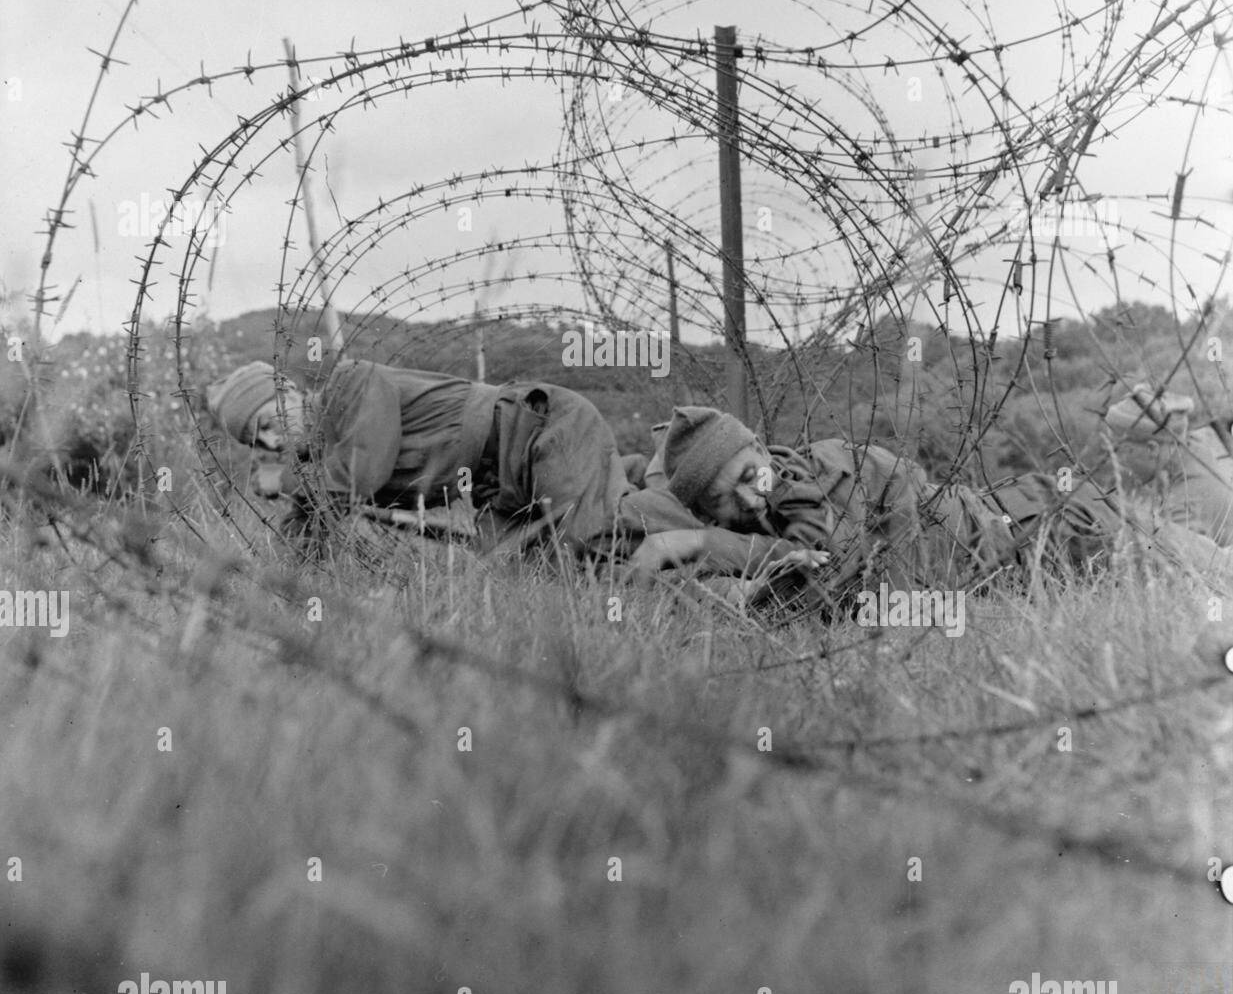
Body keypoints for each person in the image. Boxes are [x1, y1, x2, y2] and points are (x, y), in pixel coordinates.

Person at [618, 404, 1231, 609]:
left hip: (1058, 529)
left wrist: (702, 545)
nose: (756, 493)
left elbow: (835, 570)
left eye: (753, 473)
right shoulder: (770, 519)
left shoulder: (827, 467)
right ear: (712, 507)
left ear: (760, 448)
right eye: (731, 496)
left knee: (1216, 578)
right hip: (1032, 545)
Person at [205, 359, 629, 558]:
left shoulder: (350, 384)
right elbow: (305, 534)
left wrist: (285, 482)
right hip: (498, 488)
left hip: (542, 430)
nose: (271, 440)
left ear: (289, 393)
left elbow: (361, 475)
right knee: (524, 576)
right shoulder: (325, 465)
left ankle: (686, 517)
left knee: (593, 545)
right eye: (258, 440)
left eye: (267, 421)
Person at [1102, 382, 1233, 546]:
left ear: (1152, 449)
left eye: (1119, 450)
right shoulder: (1191, 447)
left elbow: (1166, 563)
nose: (1116, 461)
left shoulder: (1187, 505)